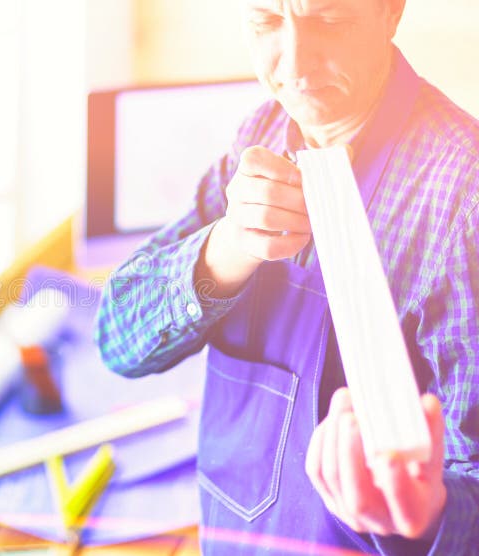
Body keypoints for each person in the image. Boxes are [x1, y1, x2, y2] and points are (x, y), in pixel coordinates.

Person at [94, 0, 479, 554]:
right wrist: (227, 246)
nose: (295, 64)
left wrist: (428, 514)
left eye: (331, 21)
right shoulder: (262, 131)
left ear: (391, 11)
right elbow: (118, 339)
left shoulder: (462, 198)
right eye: (266, 22)